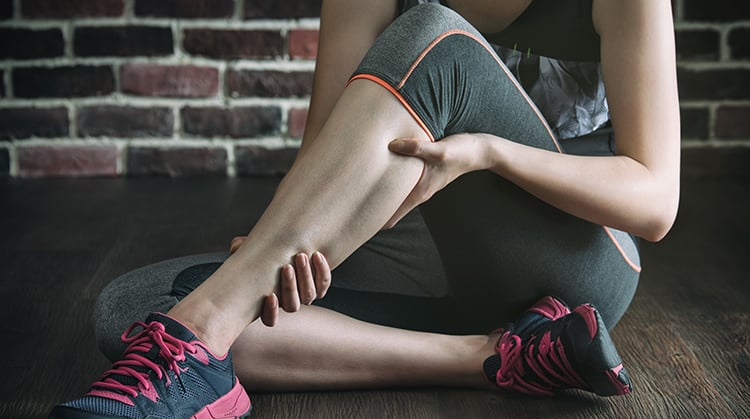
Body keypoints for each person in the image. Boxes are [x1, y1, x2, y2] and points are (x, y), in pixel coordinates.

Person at [50, 0, 680, 417]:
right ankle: (496, 357)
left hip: (568, 259)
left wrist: (491, 153)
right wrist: (277, 242)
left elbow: (654, 201)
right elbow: (325, 149)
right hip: (408, 244)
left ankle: (198, 342)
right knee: (130, 308)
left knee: (438, 37)